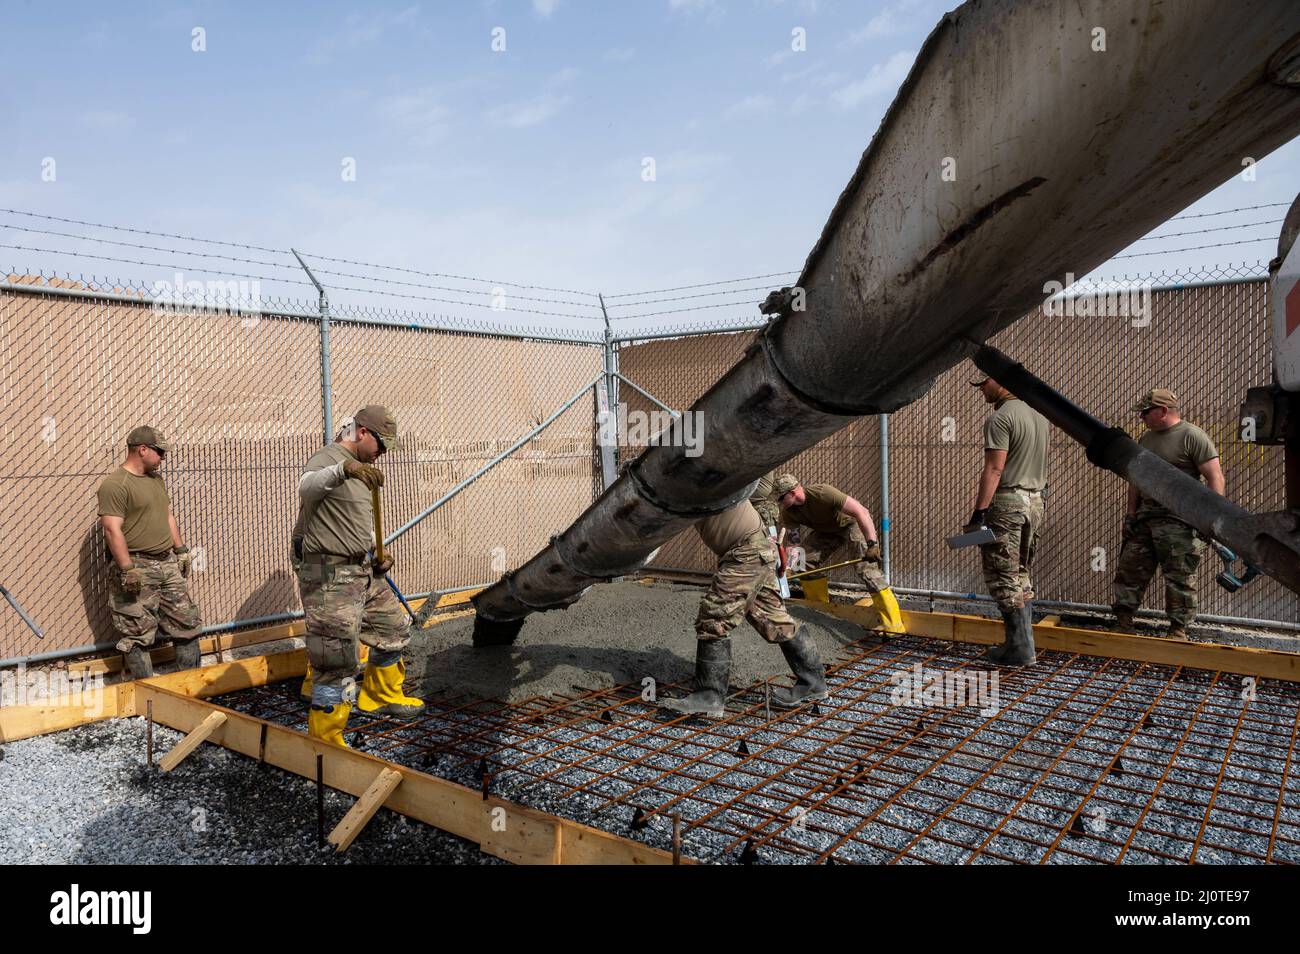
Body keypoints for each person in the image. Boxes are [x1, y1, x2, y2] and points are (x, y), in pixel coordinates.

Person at [293, 405, 423, 748]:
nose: (382, 454)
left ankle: (379, 695)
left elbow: (349, 523)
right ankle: (326, 737)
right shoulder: (329, 458)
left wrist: (377, 555)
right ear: (362, 432)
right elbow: (307, 486)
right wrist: (343, 469)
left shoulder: (363, 469)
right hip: (331, 575)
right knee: (336, 659)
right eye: (380, 445)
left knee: (392, 630)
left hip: (361, 570)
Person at [660, 500, 826, 718]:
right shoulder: (689, 478)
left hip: (746, 552)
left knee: (714, 618)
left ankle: (708, 697)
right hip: (755, 549)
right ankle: (814, 683)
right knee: (774, 621)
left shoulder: (697, 474)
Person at [1112, 388, 1225, 639]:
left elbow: (1214, 477)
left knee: (1179, 576)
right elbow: (1136, 479)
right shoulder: (1146, 438)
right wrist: (1131, 513)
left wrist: (1209, 518)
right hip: (1146, 516)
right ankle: (1123, 621)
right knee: (1130, 569)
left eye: (1145, 412)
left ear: (1163, 411)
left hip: (1180, 519)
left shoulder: (1192, 436)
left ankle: (1178, 629)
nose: (1142, 417)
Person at [96, 426, 203, 679]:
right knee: (137, 632)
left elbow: (167, 515)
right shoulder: (115, 484)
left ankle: (190, 687)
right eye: (160, 452)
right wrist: (127, 569)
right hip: (136, 564)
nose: (163, 458)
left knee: (186, 623)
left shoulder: (155, 479)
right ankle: (148, 693)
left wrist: (181, 550)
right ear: (142, 450)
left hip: (165, 563)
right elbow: (112, 529)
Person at [964, 371, 1050, 665]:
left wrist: (979, 513)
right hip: (1035, 501)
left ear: (1002, 381)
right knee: (1020, 572)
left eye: (984, 383)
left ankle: (1019, 649)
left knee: (1002, 575)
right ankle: (1024, 645)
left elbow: (995, 469)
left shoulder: (1000, 418)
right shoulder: (1039, 416)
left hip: (1008, 502)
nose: (982, 390)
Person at [773, 474, 904, 632]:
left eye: (780, 499)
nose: (778, 503)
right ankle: (819, 611)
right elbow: (793, 543)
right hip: (826, 531)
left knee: (866, 569)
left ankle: (893, 623)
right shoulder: (789, 512)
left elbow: (861, 512)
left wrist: (872, 544)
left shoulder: (822, 493)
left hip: (850, 524)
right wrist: (788, 567)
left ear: (792, 493)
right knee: (803, 563)